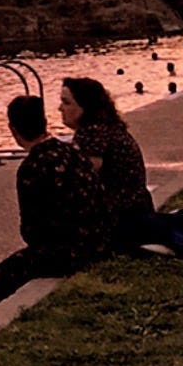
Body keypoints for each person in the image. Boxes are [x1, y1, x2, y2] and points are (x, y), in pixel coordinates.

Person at [0, 95, 108, 316]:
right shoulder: (72, 152)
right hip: (99, 240)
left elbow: (31, 231)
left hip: (68, 253)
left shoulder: (33, 167)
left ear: (13, 129)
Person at [59, 76, 155, 251]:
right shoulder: (107, 128)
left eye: (66, 103)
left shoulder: (92, 133)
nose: (60, 108)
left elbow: (84, 181)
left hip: (121, 219)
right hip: (137, 211)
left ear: (84, 106)